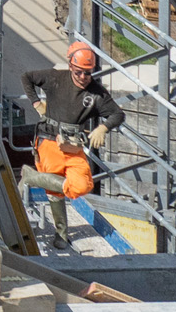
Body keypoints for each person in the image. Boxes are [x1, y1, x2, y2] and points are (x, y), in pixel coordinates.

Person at [20, 39, 126, 249]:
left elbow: (117, 114)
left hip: (73, 147)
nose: (83, 77)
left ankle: (32, 177)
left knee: (82, 185)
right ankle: (61, 235)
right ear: (70, 66)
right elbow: (27, 77)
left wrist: (103, 127)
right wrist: (36, 103)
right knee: (56, 192)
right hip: (49, 141)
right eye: (79, 72)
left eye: (87, 73)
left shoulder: (96, 93)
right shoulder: (55, 78)